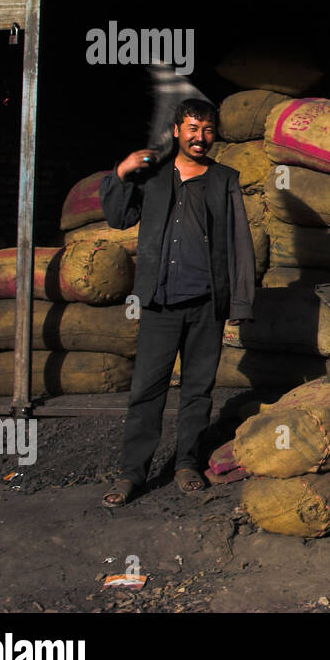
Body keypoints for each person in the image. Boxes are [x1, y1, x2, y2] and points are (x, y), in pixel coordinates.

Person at [99, 98, 255, 507]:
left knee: (198, 391)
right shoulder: (152, 177)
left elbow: (240, 243)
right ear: (176, 131)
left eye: (206, 130)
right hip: (159, 302)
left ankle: (187, 463)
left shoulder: (224, 180)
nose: (199, 137)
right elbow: (118, 218)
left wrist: (239, 304)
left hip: (206, 303)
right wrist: (120, 172)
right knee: (146, 391)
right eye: (191, 128)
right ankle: (132, 473)